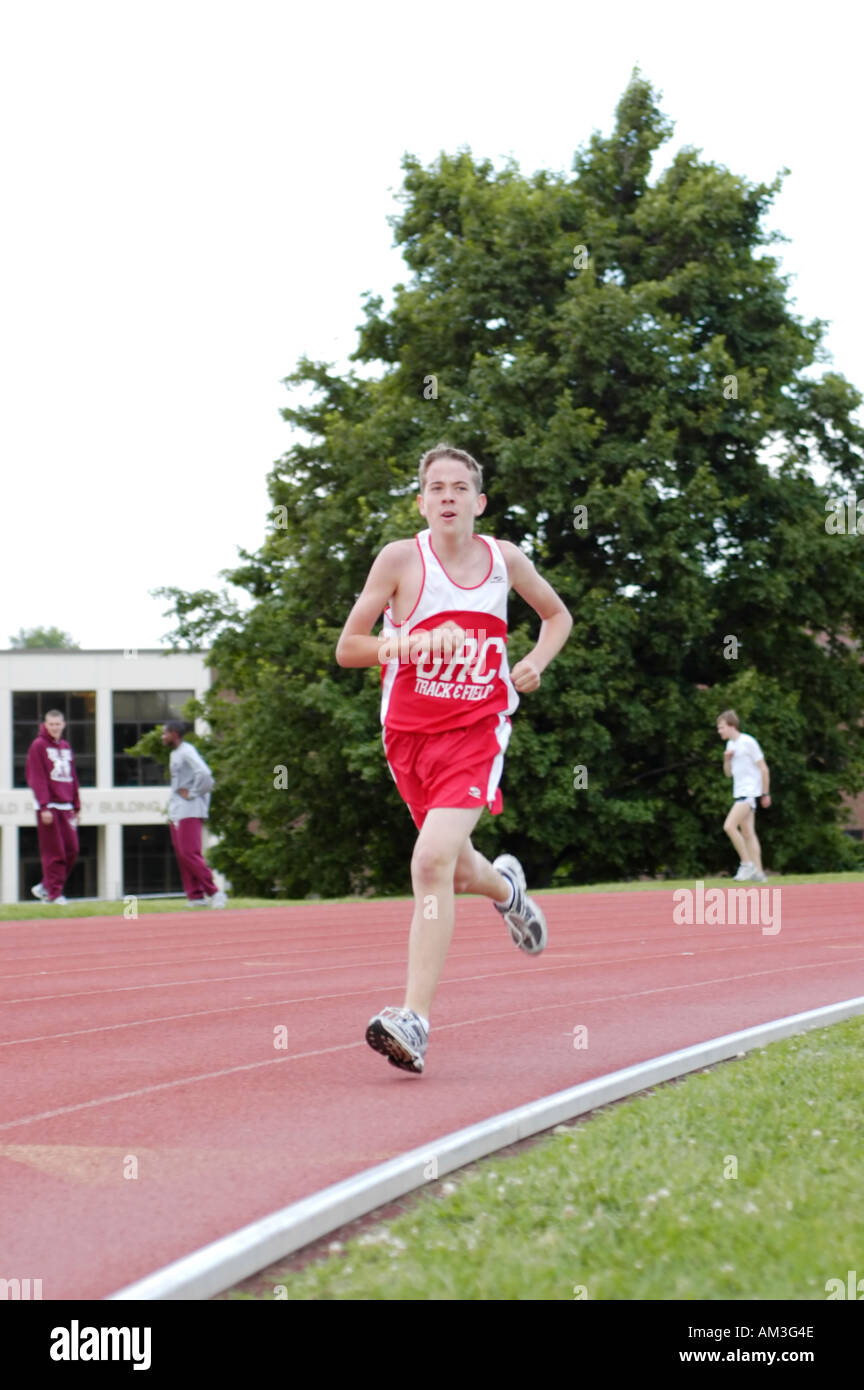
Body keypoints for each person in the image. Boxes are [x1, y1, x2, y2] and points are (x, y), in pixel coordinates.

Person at [335, 443, 573, 1074]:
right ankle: (508, 888)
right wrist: (411, 643)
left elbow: (556, 616)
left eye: (459, 488)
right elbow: (349, 648)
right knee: (458, 869)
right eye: (435, 487)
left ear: (479, 502)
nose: (447, 496)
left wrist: (534, 664)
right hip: (409, 738)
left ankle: (412, 1019)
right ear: (421, 501)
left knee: (431, 860)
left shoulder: (505, 560)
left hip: (477, 727)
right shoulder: (398, 560)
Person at [160, 720, 226, 908]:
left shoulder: (187, 750)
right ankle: (195, 896)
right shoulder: (175, 754)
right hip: (177, 811)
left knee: (190, 852)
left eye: (165, 733)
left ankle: (215, 892)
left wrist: (194, 793)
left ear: (174, 733)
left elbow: (205, 774)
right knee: (182, 854)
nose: (162, 737)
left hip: (190, 810)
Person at [26, 709, 81, 905]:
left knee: (72, 850)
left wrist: (76, 805)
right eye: (51, 724)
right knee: (54, 852)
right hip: (49, 807)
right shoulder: (38, 746)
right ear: (45, 725)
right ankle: (54, 894)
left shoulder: (66, 747)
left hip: (66, 806)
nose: (55, 728)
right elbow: (37, 777)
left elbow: (73, 778)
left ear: (63, 725)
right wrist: (44, 806)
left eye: (58, 724)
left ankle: (46, 886)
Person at [716, 710, 771, 881]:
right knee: (748, 833)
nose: (720, 731)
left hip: (748, 793)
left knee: (729, 826)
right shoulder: (730, 746)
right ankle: (759, 873)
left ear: (732, 726)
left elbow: (764, 768)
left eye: (722, 727)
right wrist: (726, 760)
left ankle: (747, 864)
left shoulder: (748, 742)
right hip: (739, 792)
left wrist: (765, 793)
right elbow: (728, 774)